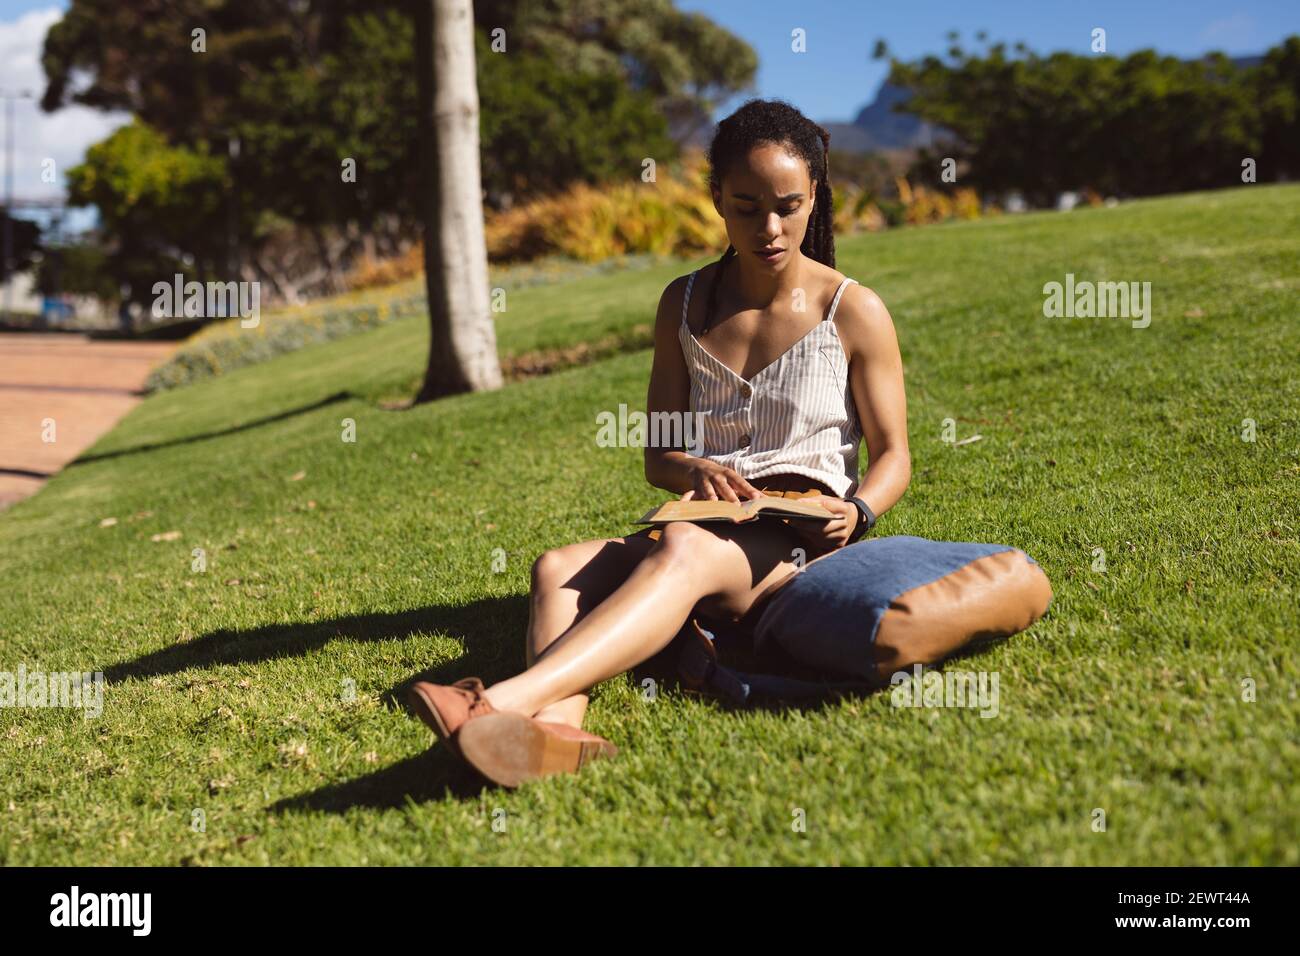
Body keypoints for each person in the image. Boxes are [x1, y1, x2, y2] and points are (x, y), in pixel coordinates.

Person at [408, 99, 911, 789]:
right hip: (704, 524)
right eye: (746, 206)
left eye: (789, 206)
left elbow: (893, 454)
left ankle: (497, 701)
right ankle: (558, 734)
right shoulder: (683, 304)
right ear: (715, 200)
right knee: (557, 566)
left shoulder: (853, 310)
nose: (769, 227)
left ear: (815, 196)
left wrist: (861, 512)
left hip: (797, 538)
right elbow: (658, 456)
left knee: (683, 549)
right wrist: (695, 469)